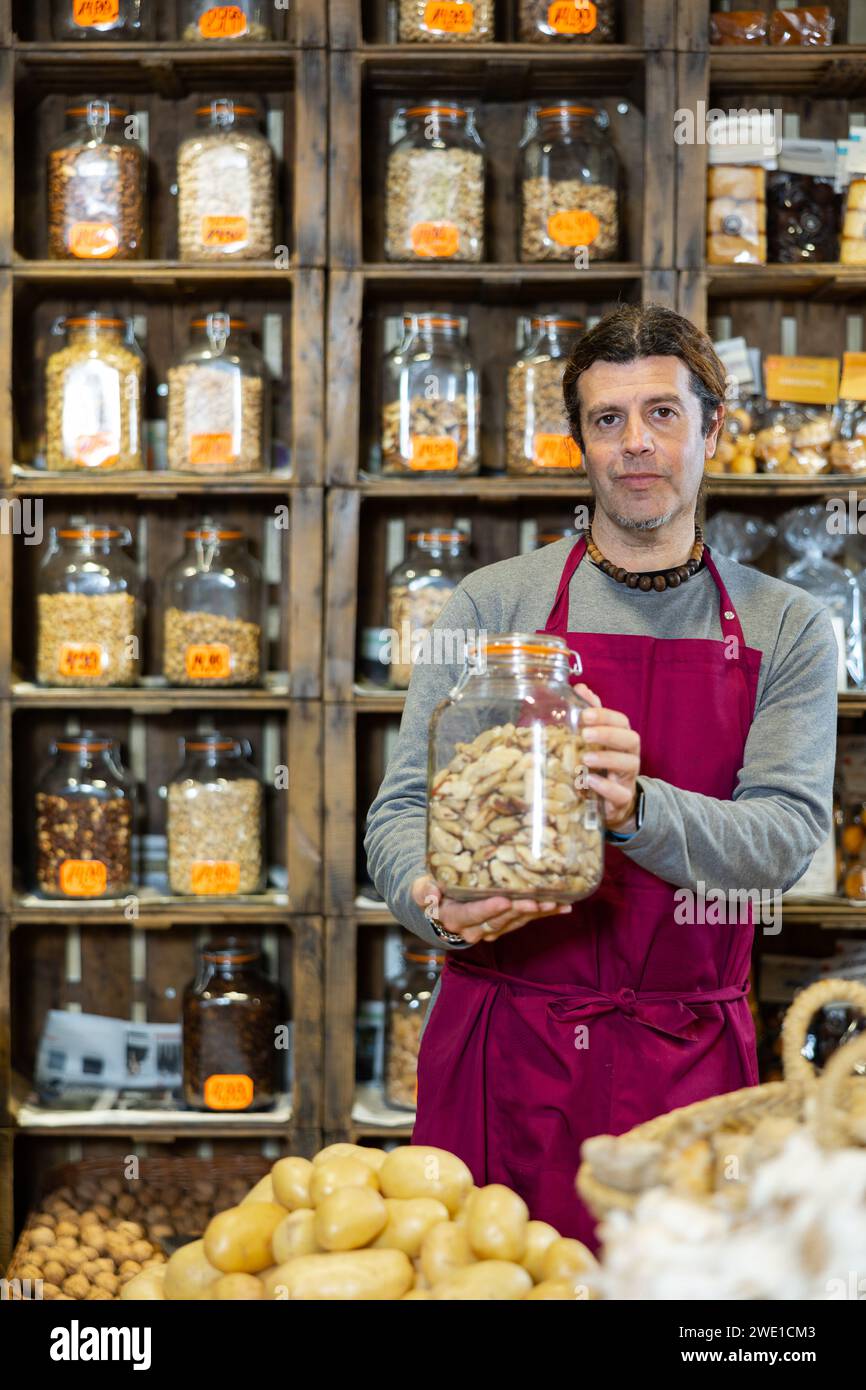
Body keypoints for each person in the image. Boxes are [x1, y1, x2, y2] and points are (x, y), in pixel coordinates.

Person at [364, 303, 838, 1248]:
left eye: (663, 414)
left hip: (688, 1069)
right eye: (606, 419)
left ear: (713, 427)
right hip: (508, 1045)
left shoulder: (786, 625)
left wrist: (638, 809)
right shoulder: (493, 603)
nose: (635, 444)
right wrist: (428, 895)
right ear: (577, 439)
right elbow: (401, 811)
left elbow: (785, 840)